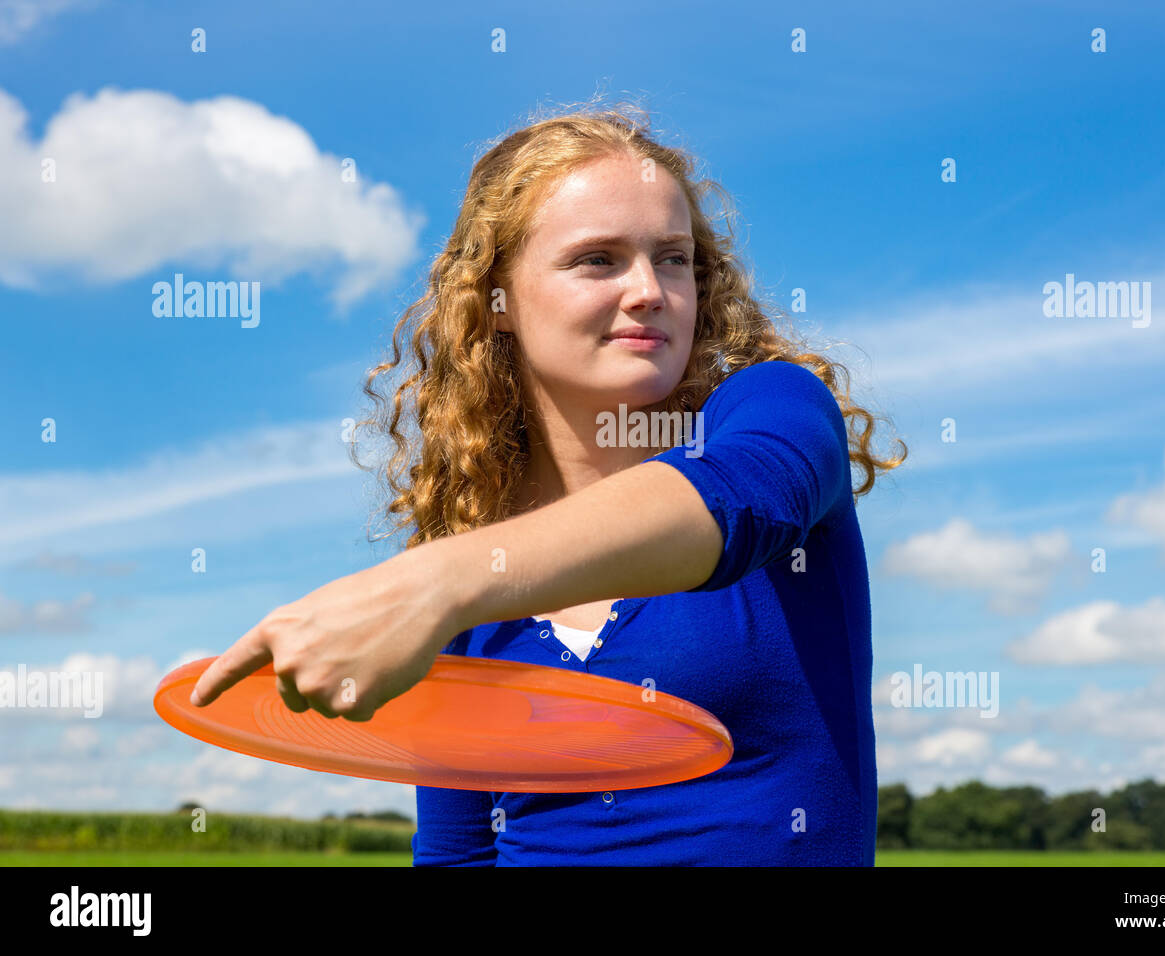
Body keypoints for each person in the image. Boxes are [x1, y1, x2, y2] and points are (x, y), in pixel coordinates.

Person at [191, 101, 906, 866]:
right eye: (598, 260)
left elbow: (738, 499)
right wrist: (449, 583)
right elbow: (458, 853)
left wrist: (432, 585)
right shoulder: (469, 584)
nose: (650, 290)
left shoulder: (777, 407)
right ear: (495, 301)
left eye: (673, 258)